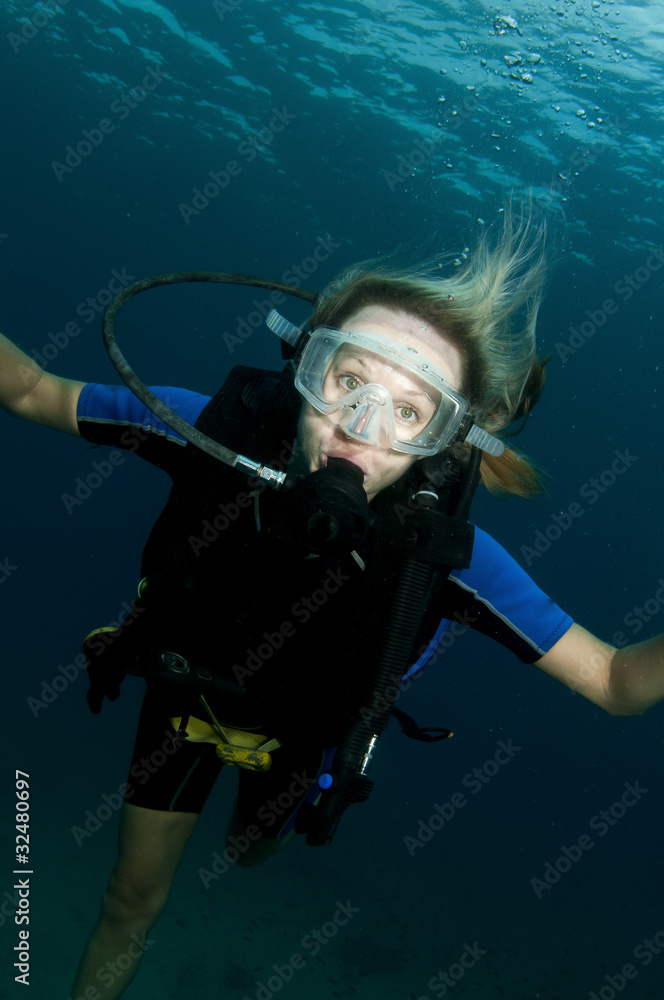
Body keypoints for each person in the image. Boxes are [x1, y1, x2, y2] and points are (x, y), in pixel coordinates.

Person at [2, 213, 663, 1000]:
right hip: (183, 704)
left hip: (301, 743)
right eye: (348, 381)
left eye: (409, 413)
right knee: (127, 900)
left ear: (447, 441)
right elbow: (33, 388)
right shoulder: (202, 432)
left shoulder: (446, 557)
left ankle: (268, 825)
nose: (360, 428)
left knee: (251, 850)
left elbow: (620, 682)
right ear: (302, 370)